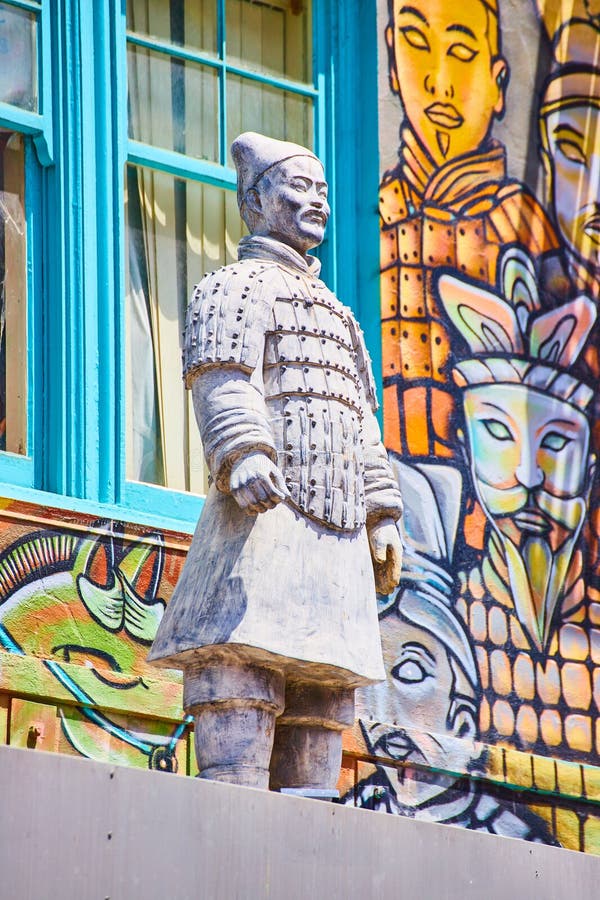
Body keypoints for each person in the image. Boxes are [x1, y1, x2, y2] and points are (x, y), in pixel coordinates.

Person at [148, 132, 404, 793]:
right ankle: (231, 825)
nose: (316, 201)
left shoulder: (342, 318)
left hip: (335, 535)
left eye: (322, 191)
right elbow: (223, 375)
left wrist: (381, 513)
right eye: (299, 188)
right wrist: (243, 450)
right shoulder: (235, 286)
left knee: (323, 694)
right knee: (239, 669)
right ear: (255, 200)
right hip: (263, 519)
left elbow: (361, 424)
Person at [380, 0, 562, 461]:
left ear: (498, 82)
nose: (438, 82)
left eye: (461, 52)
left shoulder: (530, 236)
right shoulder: (373, 213)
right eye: (416, 42)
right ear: (393, 58)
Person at [436, 260, 600, 762]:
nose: (530, 475)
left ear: (589, 469)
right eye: (500, 434)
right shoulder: (441, 626)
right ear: (463, 448)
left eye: (556, 442)